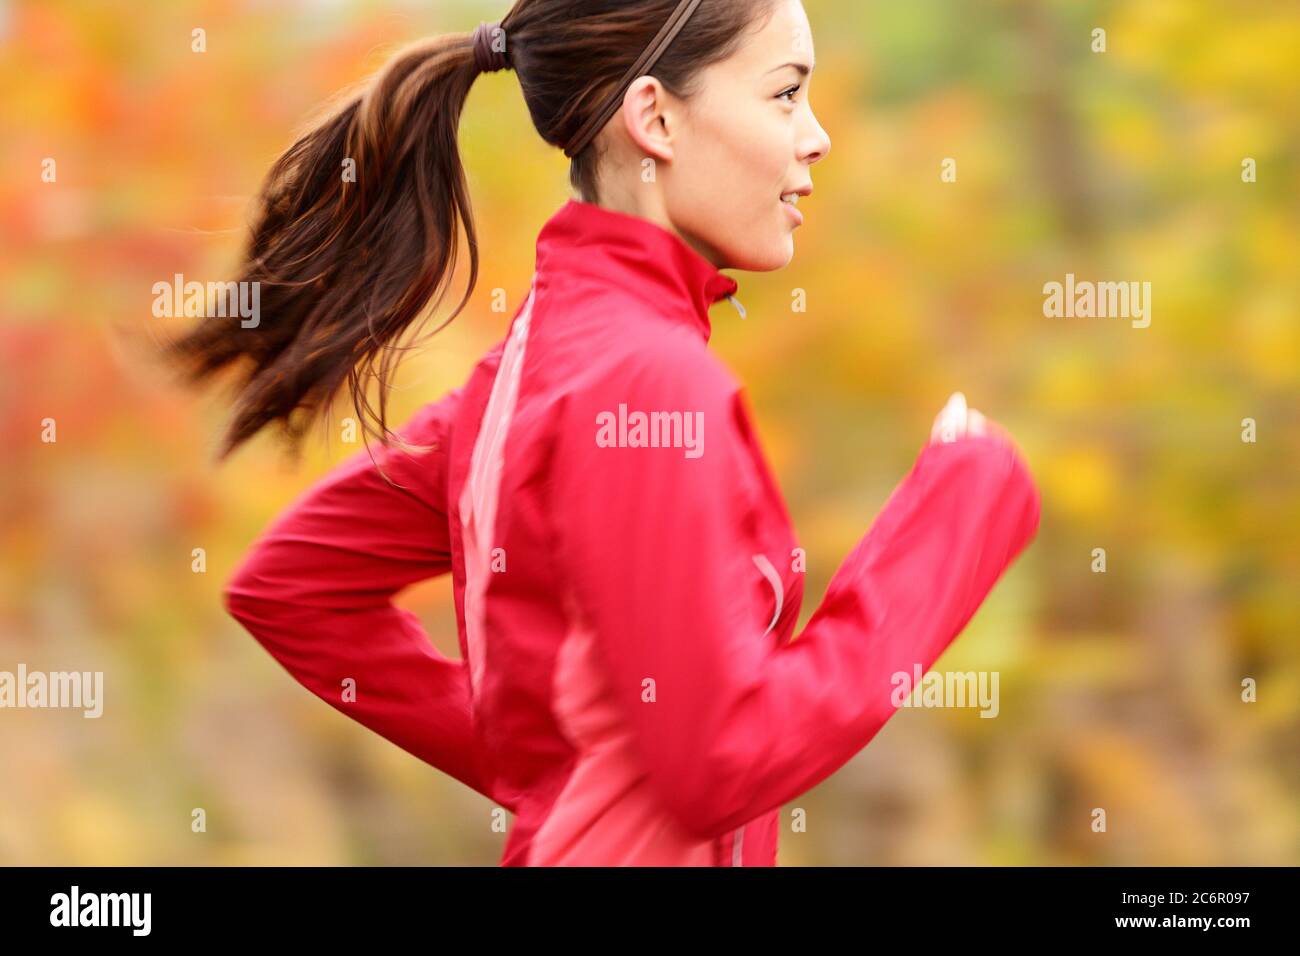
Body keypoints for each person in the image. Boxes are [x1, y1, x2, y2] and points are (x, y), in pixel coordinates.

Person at [167, 0, 1042, 866]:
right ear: (655, 118)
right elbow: (721, 762)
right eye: (785, 94)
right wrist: (958, 514)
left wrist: (549, 766)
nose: (815, 137)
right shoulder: (648, 382)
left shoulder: (533, 369)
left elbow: (292, 588)